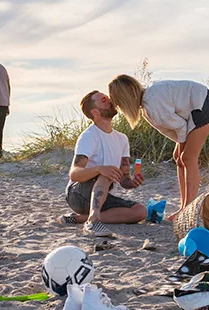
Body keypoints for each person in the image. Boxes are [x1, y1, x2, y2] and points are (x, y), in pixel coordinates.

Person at [108, 74, 209, 220]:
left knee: (188, 158)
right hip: (195, 107)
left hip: (201, 105)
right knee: (179, 158)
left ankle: (189, 209)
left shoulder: (152, 102)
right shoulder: (148, 105)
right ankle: (184, 207)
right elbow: (173, 129)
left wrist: (183, 147)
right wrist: (180, 147)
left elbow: (179, 126)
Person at [62, 90, 147, 237]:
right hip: (78, 194)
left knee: (141, 212)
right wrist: (100, 169)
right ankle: (93, 222)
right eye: (104, 100)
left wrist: (132, 182)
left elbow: (124, 180)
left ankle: (79, 219)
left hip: (104, 196)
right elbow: (74, 174)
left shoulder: (122, 139)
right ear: (95, 111)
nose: (110, 100)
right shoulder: (89, 136)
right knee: (107, 171)